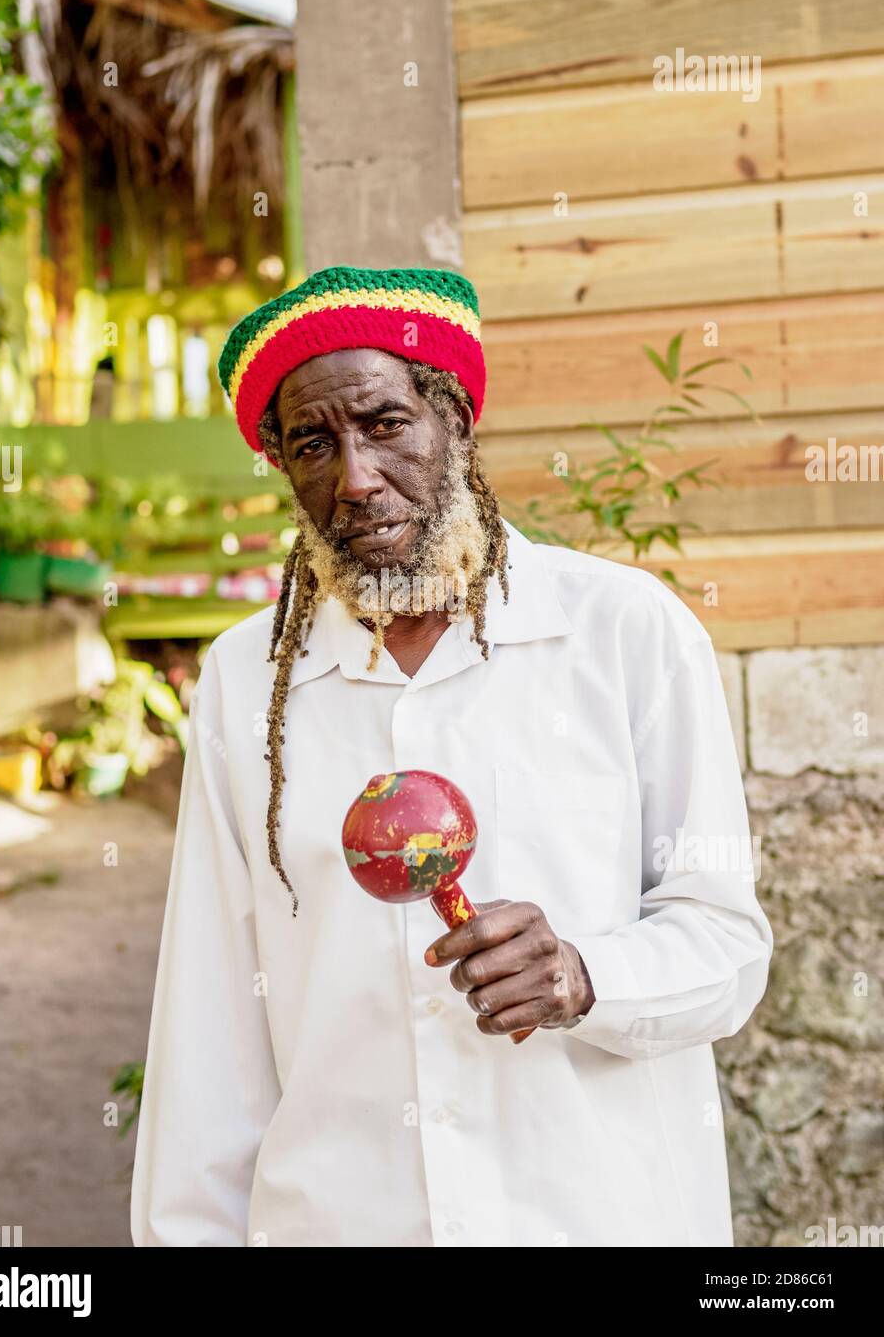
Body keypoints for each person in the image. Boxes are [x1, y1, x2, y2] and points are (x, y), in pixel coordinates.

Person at [130, 265, 772, 1247]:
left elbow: (725, 948)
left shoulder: (624, 633)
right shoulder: (240, 679)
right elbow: (208, 1027)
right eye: (312, 441)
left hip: (593, 1218)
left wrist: (580, 974)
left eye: (384, 423)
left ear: (455, 423)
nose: (353, 476)